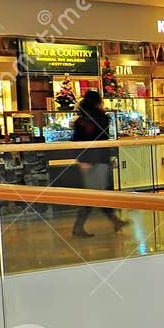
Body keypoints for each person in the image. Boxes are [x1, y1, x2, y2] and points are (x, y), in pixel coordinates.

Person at [69, 91, 128, 239]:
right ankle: (80, 227)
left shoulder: (80, 120)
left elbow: (76, 141)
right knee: (96, 193)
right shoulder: (102, 118)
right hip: (100, 158)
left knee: (98, 192)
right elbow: (103, 137)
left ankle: (114, 221)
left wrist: (81, 160)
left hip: (89, 160)